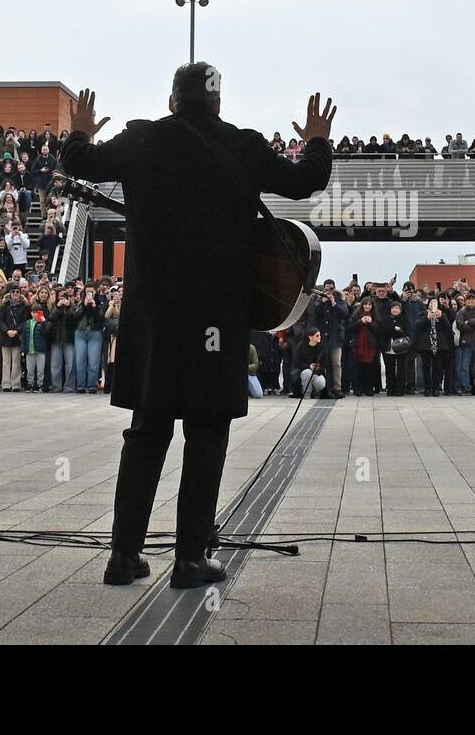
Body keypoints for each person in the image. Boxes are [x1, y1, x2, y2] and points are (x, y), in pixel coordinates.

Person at [59, 68, 335, 589]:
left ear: (171, 100)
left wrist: (81, 129)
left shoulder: (142, 138)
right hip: (216, 319)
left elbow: (79, 162)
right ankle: (189, 560)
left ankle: (124, 556)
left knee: (146, 433)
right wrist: (316, 140)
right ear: (217, 102)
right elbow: (305, 183)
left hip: (154, 319)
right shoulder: (243, 146)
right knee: (206, 433)